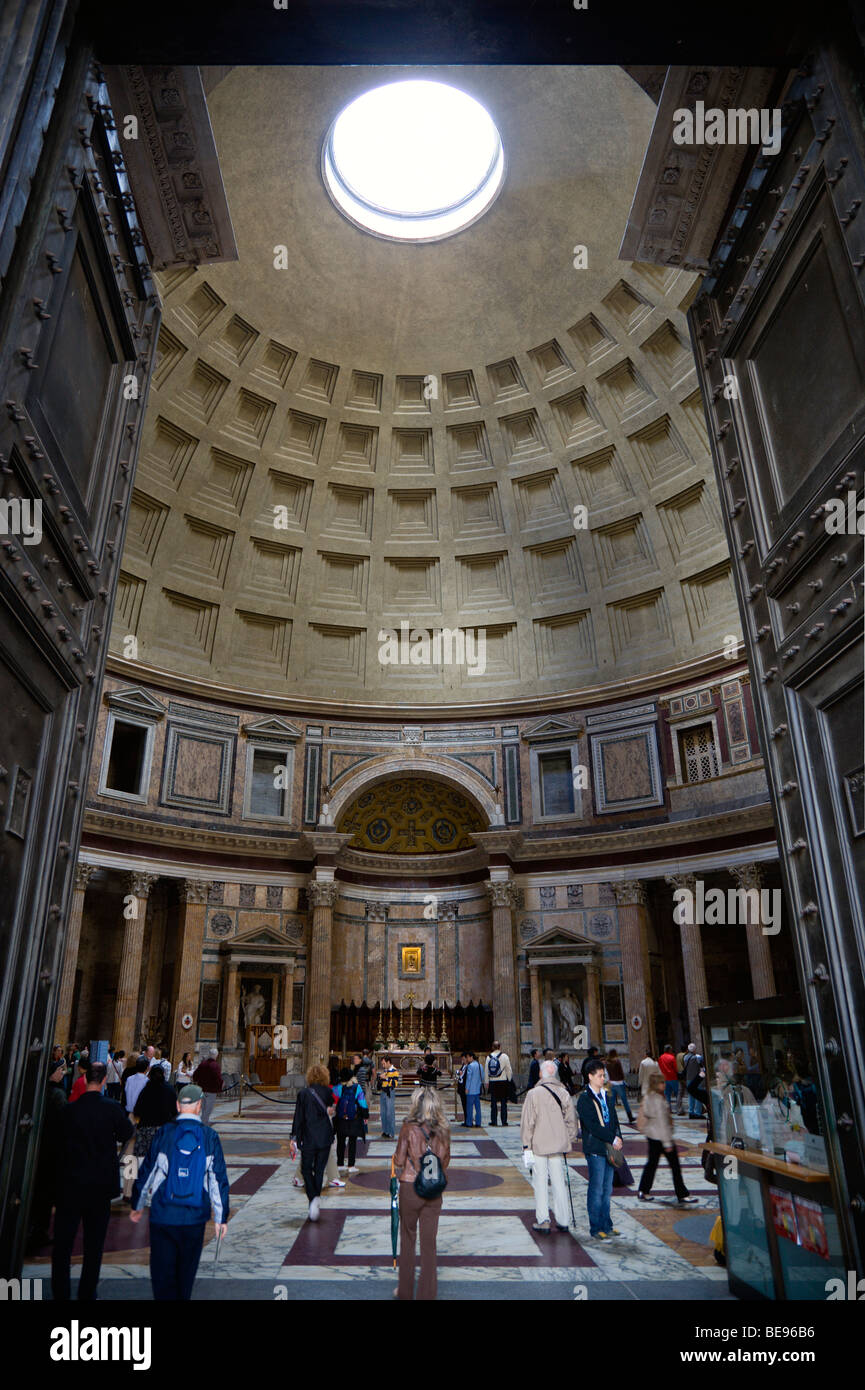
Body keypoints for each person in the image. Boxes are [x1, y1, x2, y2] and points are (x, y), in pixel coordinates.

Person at [131, 1084, 230, 1300]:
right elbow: (217, 1178)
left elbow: (147, 1170)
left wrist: (137, 1204)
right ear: (200, 1106)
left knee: (162, 1276)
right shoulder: (209, 1136)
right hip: (194, 1216)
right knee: (185, 1277)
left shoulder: (164, 1132)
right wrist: (221, 1218)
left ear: (178, 1105)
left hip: (163, 1214)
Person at [51, 1062, 132, 1301]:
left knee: (63, 1245)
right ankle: (87, 1293)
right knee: (94, 1245)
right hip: (99, 1187)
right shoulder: (112, 1108)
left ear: (85, 1080)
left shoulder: (69, 1109)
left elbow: (58, 1145)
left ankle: (61, 1294)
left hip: (70, 1185)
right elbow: (127, 1134)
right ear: (105, 1081)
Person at [393, 1085, 451, 1301]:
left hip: (409, 1186)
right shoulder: (444, 1128)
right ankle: (427, 1295)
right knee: (429, 1244)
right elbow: (445, 1160)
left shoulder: (408, 1127)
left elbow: (399, 1160)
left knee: (407, 1239)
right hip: (433, 1190)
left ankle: (405, 1292)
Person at [520, 1059, 577, 1232]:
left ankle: (543, 1220)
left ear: (540, 1074)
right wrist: (568, 1138)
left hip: (539, 1145)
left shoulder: (533, 1094)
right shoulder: (564, 1093)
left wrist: (526, 1145)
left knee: (540, 1182)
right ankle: (563, 1220)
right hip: (558, 1146)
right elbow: (572, 1120)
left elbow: (527, 1122)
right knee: (559, 1182)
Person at [576, 1058, 623, 1240]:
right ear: (590, 1076)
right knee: (596, 1189)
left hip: (610, 1148)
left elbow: (614, 1119)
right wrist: (612, 1138)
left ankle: (607, 1224)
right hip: (595, 1148)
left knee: (607, 1188)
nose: (603, 1078)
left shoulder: (607, 1095)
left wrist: (618, 1138)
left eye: (604, 1075)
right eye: (600, 1075)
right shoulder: (585, 1099)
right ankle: (596, 1227)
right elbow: (592, 1126)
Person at [636, 1072, 698, 1205]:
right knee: (675, 1166)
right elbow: (662, 1123)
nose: (664, 1084)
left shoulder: (648, 1097)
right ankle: (682, 1194)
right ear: (657, 1084)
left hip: (652, 1136)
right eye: (662, 1082)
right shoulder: (658, 1100)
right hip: (661, 1137)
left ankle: (643, 1190)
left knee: (651, 1165)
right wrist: (667, 1143)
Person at [28, 1060, 68, 1247]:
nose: (63, 1072)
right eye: (60, 1069)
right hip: (52, 1148)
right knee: (46, 1192)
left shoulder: (35, 1090)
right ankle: (39, 1231)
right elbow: (64, 1122)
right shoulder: (58, 1094)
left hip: (33, 1145)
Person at [290, 1063, 336, 1220]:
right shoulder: (328, 1092)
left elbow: (298, 1117)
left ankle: (313, 1199)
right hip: (324, 1136)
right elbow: (331, 1109)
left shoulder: (303, 1094)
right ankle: (315, 1198)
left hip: (308, 1136)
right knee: (319, 1169)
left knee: (306, 1170)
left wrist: (294, 1137)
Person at [132, 1063, 178, 1161]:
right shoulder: (170, 1089)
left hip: (146, 1128)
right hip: (164, 1129)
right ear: (163, 1074)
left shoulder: (146, 1090)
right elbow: (175, 1110)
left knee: (142, 1159)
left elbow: (137, 1110)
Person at [333, 1066, 369, 1173]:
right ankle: (351, 1165)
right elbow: (362, 1102)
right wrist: (365, 1116)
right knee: (352, 1141)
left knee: (340, 1141)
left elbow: (334, 1100)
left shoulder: (338, 1088)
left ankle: (340, 1163)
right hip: (354, 1118)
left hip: (341, 1118)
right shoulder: (357, 1087)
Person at [484, 1040, 513, 1125]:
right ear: (500, 1047)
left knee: (493, 1103)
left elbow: (486, 1070)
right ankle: (504, 1121)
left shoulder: (489, 1057)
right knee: (503, 1103)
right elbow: (509, 1069)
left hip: (493, 1082)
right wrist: (509, 1079)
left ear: (492, 1047)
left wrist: (486, 1082)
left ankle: (494, 1121)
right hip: (503, 1081)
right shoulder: (504, 1056)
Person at [193, 1046, 223, 1124]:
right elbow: (218, 1078)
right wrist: (220, 1086)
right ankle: (204, 1123)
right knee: (208, 1108)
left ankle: (203, 1122)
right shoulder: (215, 1066)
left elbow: (195, 1075)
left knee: (203, 1108)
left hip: (202, 1089)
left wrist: (196, 1081)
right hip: (211, 1090)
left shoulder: (202, 1064)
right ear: (216, 1056)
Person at [605, 1049, 635, 1123]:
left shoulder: (607, 1063)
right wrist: (622, 1079)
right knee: (624, 1101)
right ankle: (630, 1116)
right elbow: (621, 1072)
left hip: (611, 1083)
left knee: (611, 1102)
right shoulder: (617, 1061)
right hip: (619, 1083)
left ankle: (610, 1118)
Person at [376, 1054, 400, 1138]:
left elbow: (395, 1083)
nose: (383, 1065)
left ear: (388, 1062)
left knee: (390, 1113)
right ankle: (385, 1131)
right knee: (383, 1113)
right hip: (383, 1092)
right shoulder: (385, 1071)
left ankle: (391, 1132)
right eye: (382, 1064)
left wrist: (385, 1078)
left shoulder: (395, 1071)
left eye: (384, 1063)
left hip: (389, 1092)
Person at [683, 1043, 705, 1118]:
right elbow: (702, 1065)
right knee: (698, 1095)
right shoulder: (697, 1057)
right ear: (695, 1049)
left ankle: (691, 1111)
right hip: (696, 1078)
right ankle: (697, 1112)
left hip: (688, 1078)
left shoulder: (685, 1057)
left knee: (691, 1095)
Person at [464, 1051, 483, 1127]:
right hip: (477, 1089)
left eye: (468, 1057)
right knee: (478, 1107)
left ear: (471, 1057)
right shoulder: (480, 1065)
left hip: (471, 1090)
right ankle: (478, 1122)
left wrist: (466, 1088)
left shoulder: (470, 1066)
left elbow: (469, 1078)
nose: (467, 1059)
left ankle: (469, 1122)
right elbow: (482, 1076)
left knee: (469, 1107)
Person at [658, 1043, 679, 1109]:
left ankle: (668, 1109)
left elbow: (660, 1067)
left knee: (667, 1095)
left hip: (665, 1078)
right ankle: (679, 1108)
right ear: (669, 1050)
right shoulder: (672, 1057)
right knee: (677, 1094)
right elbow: (675, 1068)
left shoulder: (661, 1058)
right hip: (673, 1077)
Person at [455, 1053, 468, 1123]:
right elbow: (460, 1072)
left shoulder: (468, 1066)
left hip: (465, 1087)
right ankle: (466, 1119)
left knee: (466, 1105)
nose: (462, 1060)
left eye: (464, 1059)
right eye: (462, 1059)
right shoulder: (463, 1066)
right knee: (463, 1104)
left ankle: (467, 1120)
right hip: (461, 1087)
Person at [674, 1045, 687, 1116]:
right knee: (691, 1092)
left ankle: (679, 1109)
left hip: (679, 1075)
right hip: (684, 1075)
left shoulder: (677, 1055)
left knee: (680, 1093)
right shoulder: (685, 1055)